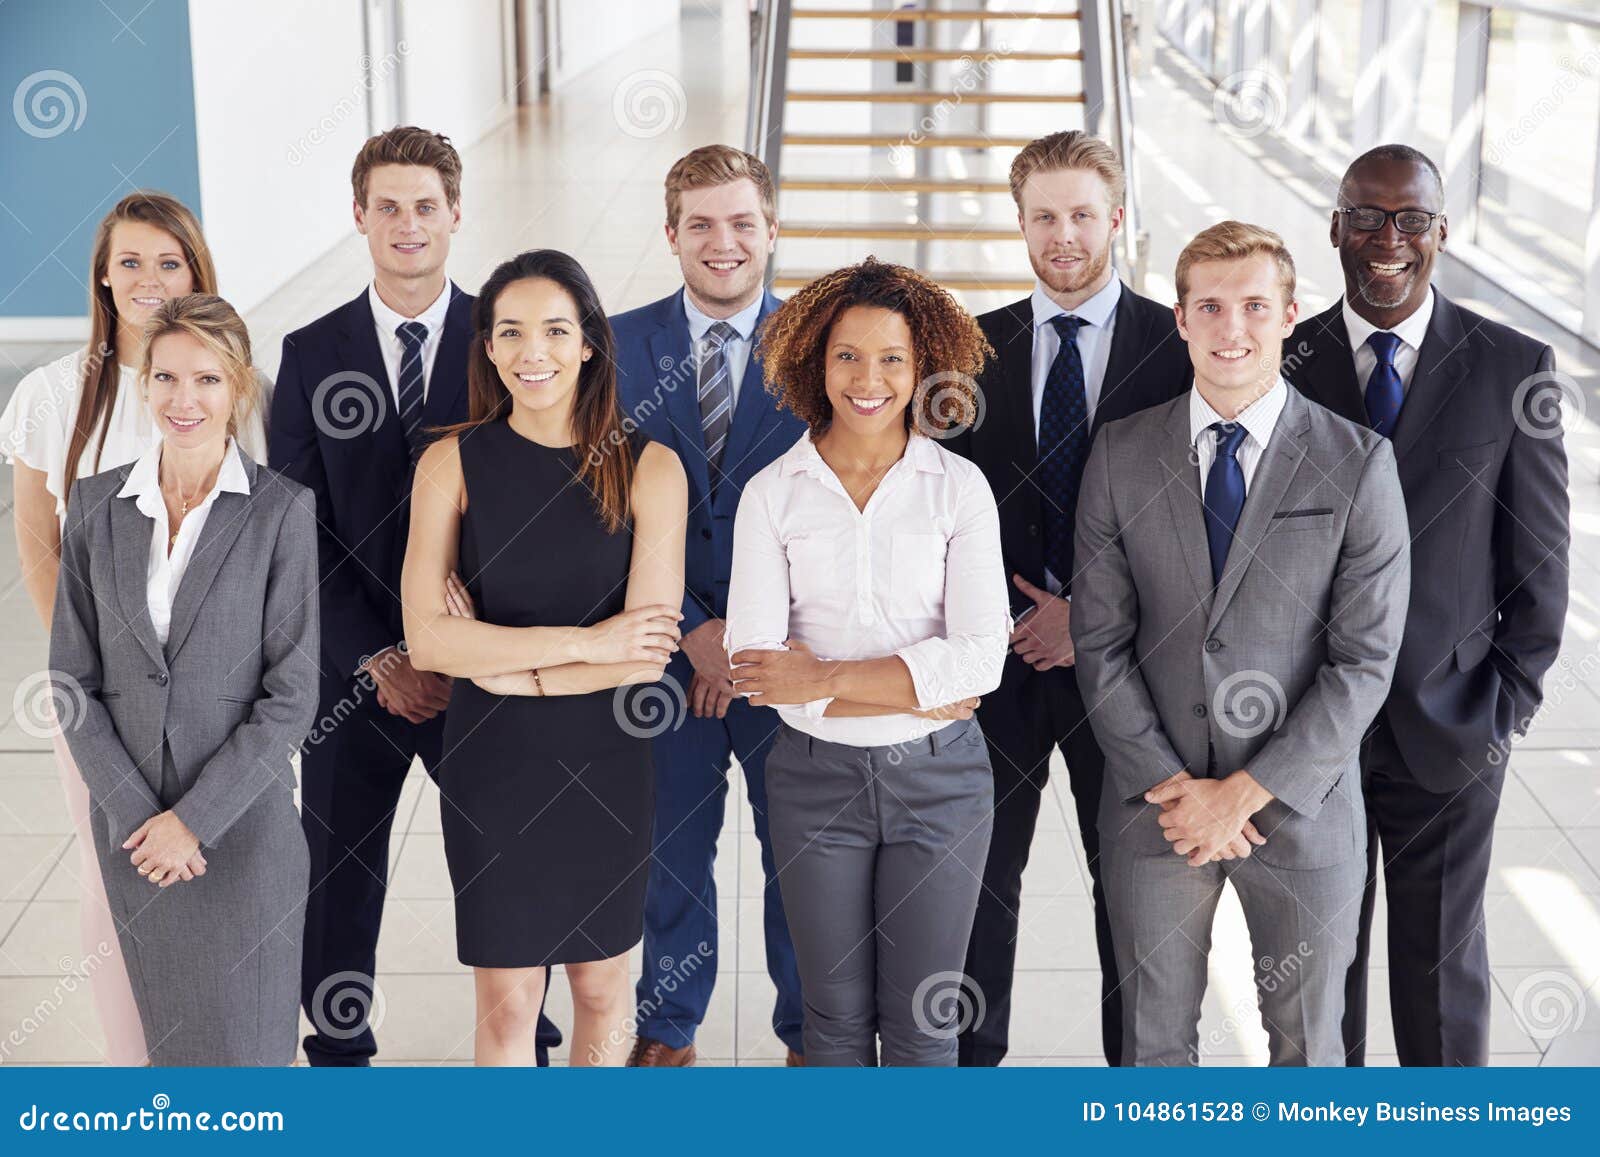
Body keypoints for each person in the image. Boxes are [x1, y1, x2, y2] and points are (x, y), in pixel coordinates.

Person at [1071, 222, 1411, 1066]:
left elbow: (1362, 663)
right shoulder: (1119, 454)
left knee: (1308, 1046)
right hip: (1159, 807)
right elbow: (1100, 641)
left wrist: (1247, 793)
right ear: (1180, 318)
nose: (1233, 329)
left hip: (1302, 808)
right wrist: (1174, 786)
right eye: (1211, 307)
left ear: (1291, 314)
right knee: (1153, 1042)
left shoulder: (1359, 462)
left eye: (1255, 306)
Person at [269, 125, 559, 1065]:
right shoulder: (311, 351)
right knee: (339, 861)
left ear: (456, 214)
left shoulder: (506, 341)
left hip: (480, 663)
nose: (406, 224)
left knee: (508, 850)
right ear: (358, 215)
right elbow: (295, 527)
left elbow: (537, 510)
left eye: (425, 206)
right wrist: (380, 653)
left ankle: (530, 1016)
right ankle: (338, 1037)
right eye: (386, 206)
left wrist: (448, 645)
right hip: (355, 669)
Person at [1283, 145, 1570, 1067]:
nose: (1386, 240)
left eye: (1411, 220)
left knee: (1439, 968)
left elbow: (1541, 560)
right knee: (1321, 967)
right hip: (1300, 723)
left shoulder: (1511, 365)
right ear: (1334, 227)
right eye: (1365, 216)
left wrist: (1504, 702)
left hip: (1451, 724)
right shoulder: (1283, 358)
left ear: (1443, 233)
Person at [401, 249, 687, 1066]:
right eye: (512, 332)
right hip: (496, 763)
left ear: (590, 342)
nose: (535, 352)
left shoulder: (650, 467)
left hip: (607, 759)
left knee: (603, 988)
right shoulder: (450, 462)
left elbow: (647, 652)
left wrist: (501, 666)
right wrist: (585, 643)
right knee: (505, 1001)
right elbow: (427, 637)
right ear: (487, 347)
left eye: (556, 330)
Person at [0, 190, 266, 1065]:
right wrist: (87, 673)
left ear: (197, 271)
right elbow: (37, 541)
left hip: (222, 693)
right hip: (100, 697)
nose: (149, 280)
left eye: (169, 262)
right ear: (102, 278)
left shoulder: (240, 390)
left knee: (228, 876)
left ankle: (234, 1064)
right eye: (130, 263)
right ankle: (138, 1078)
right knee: (113, 883)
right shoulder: (51, 394)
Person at [943, 130, 1192, 1067]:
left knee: (1130, 890)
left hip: (1128, 668)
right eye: (1043, 216)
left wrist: (1086, 615)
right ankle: (972, 1075)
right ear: (1018, 223)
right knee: (979, 884)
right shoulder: (967, 349)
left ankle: (1134, 1082)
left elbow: (1192, 519)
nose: (1064, 234)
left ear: (1117, 220)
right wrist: (1014, 623)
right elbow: (942, 505)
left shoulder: (1174, 348)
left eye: (1083, 214)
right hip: (995, 666)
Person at [726, 257, 1009, 1066]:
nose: (869, 378)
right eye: (848, 354)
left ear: (923, 368)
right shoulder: (772, 494)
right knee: (835, 1022)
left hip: (942, 783)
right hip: (814, 784)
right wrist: (919, 688)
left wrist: (826, 677)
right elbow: (763, 677)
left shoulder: (958, 489)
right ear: (817, 361)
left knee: (924, 1025)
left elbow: (981, 659)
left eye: (892, 358)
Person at [49, 294, 317, 1065]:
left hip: (241, 833)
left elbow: (292, 694)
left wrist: (192, 820)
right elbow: (71, 680)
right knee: (170, 1060)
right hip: (137, 841)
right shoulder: (98, 508)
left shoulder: (279, 512)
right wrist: (143, 819)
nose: (184, 399)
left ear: (237, 387)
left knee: (250, 1057)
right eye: (165, 377)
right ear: (144, 383)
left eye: (206, 378)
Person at [609, 145, 807, 1065]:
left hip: (786, 654)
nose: (722, 243)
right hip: (661, 647)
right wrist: (695, 629)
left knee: (801, 856)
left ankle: (814, 1032)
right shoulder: (611, 345)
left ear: (771, 230)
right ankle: (666, 1027)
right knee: (667, 850)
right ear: (671, 235)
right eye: (701, 226)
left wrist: (748, 637)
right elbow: (599, 504)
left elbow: (838, 502)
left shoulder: (821, 342)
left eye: (741, 224)